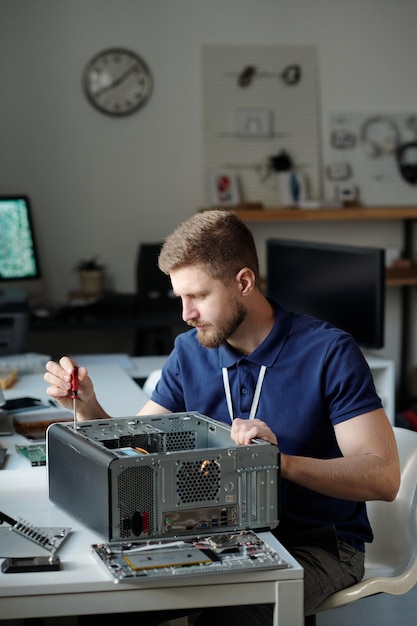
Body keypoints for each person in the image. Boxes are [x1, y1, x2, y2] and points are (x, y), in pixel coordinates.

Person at [45, 209, 400, 626]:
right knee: (98, 610)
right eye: (180, 297)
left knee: (226, 619)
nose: (186, 314)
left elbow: (383, 477)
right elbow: (135, 450)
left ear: (244, 282)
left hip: (318, 543)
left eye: (197, 296)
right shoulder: (190, 351)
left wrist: (276, 462)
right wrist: (87, 406)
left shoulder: (329, 352)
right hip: (212, 531)